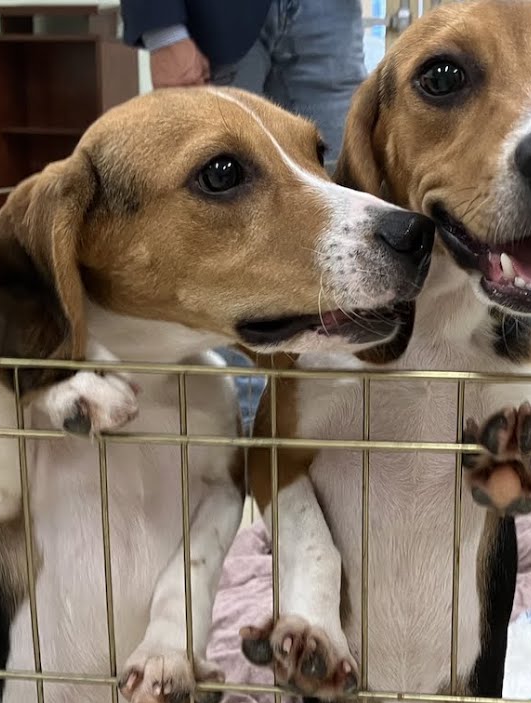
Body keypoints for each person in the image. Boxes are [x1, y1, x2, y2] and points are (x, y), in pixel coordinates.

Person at [121, 0, 369, 432]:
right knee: (220, 227)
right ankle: (248, 441)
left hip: (333, 11)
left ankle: (324, 438)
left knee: (342, 209)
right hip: (216, 18)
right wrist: (163, 30)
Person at [120, 0, 367, 174]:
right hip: (211, 19)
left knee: (338, 176)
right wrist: (164, 34)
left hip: (335, 14)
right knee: (218, 185)